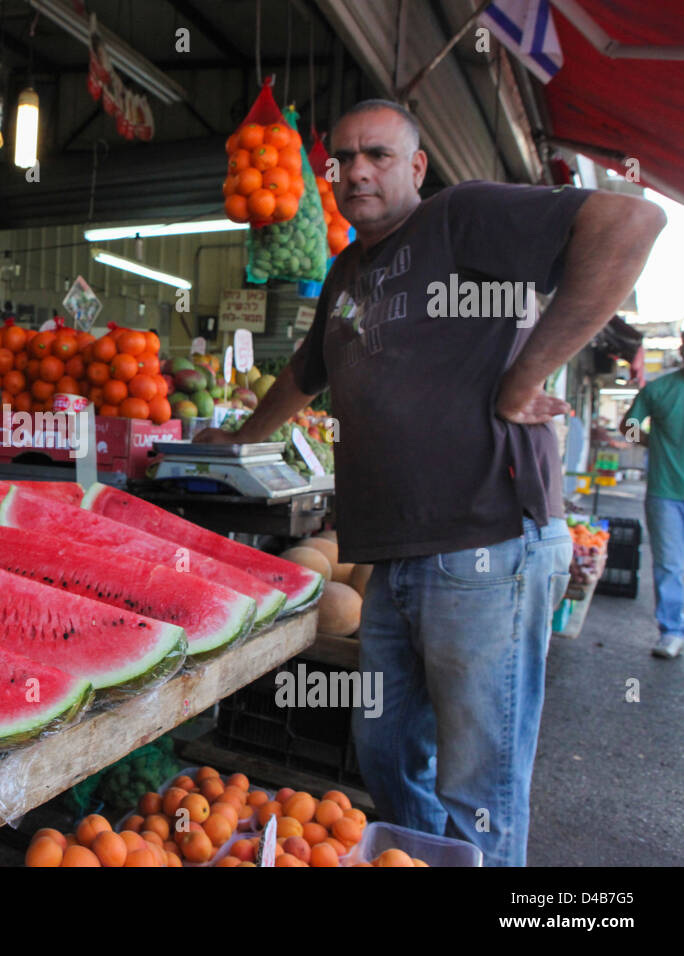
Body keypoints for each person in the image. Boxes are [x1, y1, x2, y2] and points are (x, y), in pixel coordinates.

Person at [195, 99, 665, 866]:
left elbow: (630, 225)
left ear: (416, 166)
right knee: (383, 753)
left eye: (377, 155)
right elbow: (304, 376)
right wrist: (237, 440)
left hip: (487, 545)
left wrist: (525, 378)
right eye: (341, 159)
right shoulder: (348, 270)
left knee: (478, 788)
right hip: (394, 557)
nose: (356, 171)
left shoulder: (460, 217)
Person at [620, 339, 684, 659]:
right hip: (665, 493)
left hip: (665, 494)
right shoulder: (657, 391)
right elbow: (628, 427)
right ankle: (672, 631)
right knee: (671, 564)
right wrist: (652, 443)